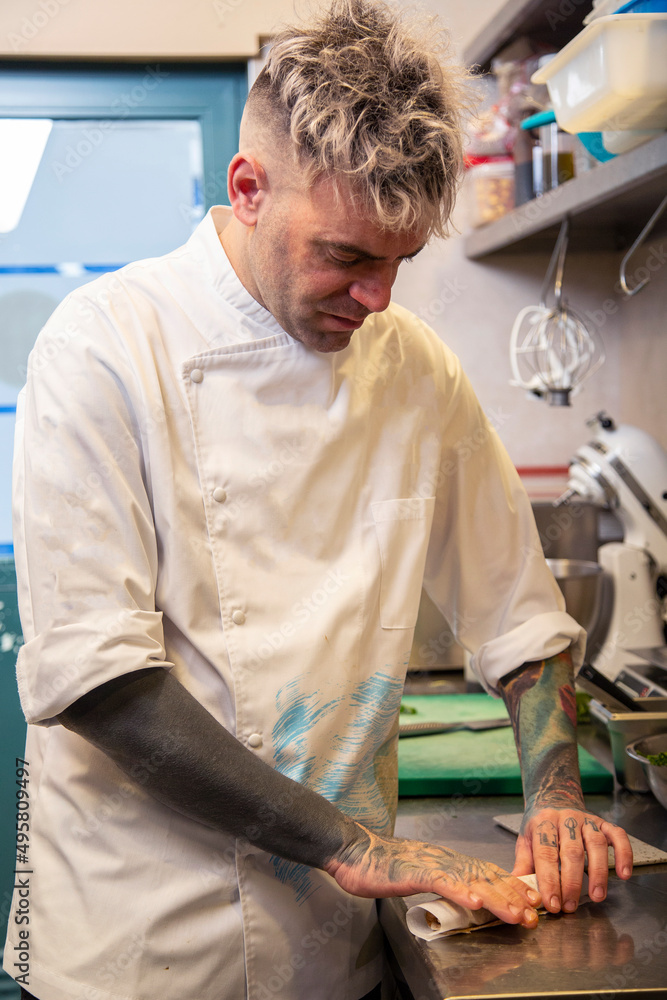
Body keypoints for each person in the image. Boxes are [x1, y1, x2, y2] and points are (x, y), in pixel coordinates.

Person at [4, 2, 632, 999]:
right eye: (346, 255)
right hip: (138, 948)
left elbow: (521, 620)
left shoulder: (412, 369)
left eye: (399, 262)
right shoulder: (103, 350)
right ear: (246, 188)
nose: (377, 297)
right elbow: (99, 681)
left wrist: (554, 792)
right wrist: (352, 845)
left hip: (329, 949)